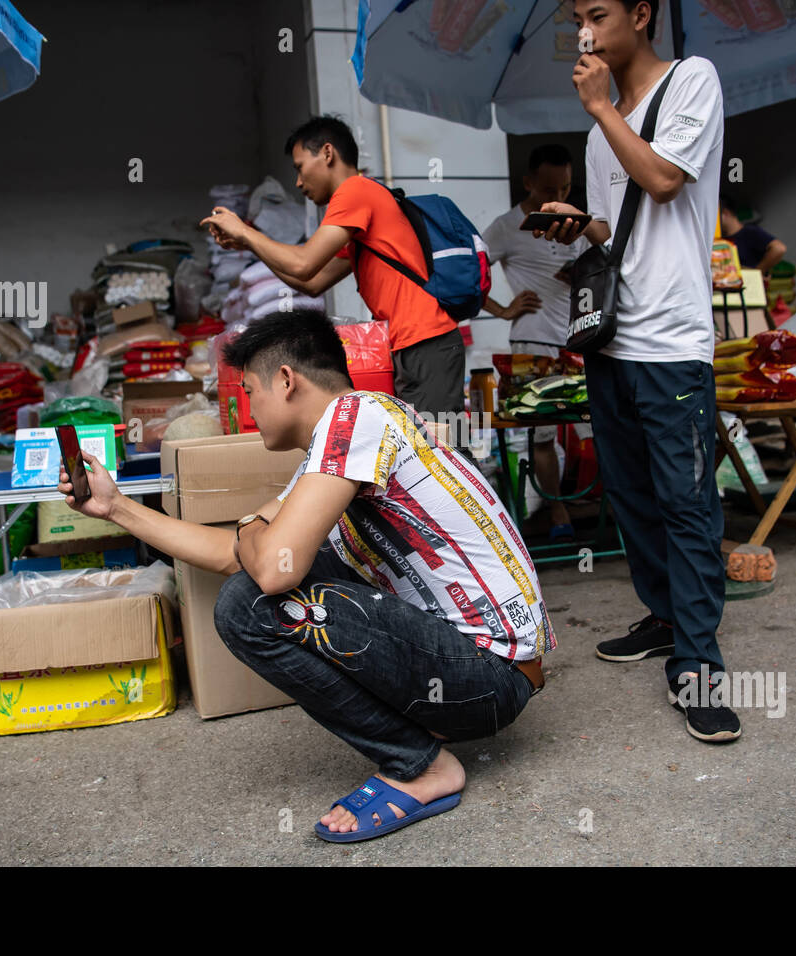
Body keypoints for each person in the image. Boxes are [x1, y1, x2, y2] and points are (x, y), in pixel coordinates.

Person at [59, 309, 553, 840]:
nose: (247, 408)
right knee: (264, 578)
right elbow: (236, 554)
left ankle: (423, 765)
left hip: (488, 677)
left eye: (249, 391)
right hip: (475, 674)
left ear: (287, 380)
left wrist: (255, 524)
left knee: (249, 605)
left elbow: (267, 569)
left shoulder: (356, 419)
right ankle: (427, 732)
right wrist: (116, 508)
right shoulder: (346, 446)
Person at [535, 0, 739, 742]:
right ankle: (662, 616)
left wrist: (600, 107)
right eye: (578, 18)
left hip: (673, 341)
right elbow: (617, 229)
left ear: (642, 14)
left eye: (596, 12)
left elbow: (661, 182)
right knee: (631, 495)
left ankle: (701, 665)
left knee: (687, 504)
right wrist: (579, 222)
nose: (583, 30)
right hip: (612, 341)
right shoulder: (600, 133)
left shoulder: (692, 80)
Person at [201, 116, 468, 448]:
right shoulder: (363, 207)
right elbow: (311, 281)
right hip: (413, 345)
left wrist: (245, 231)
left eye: (300, 167)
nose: (298, 182)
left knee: (441, 458)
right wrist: (249, 243)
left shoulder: (355, 190)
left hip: (427, 342)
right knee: (426, 454)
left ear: (327, 153)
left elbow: (302, 263)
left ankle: (484, 503)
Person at [481, 143, 591, 540]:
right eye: (549, 191)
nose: (558, 200)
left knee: (595, 430)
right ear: (528, 183)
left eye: (565, 190)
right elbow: (467, 272)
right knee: (542, 433)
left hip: (580, 340)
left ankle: (608, 514)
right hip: (531, 341)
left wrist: (583, 273)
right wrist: (502, 310)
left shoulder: (576, 220)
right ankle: (559, 517)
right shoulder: (506, 226)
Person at [718, 194, 786, 274]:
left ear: (726, 213)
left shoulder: (750, 232)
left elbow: (779, 248)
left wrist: (758, 271)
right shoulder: (719, 239)